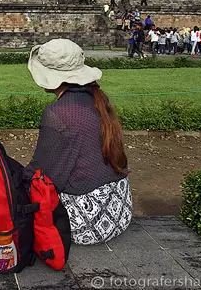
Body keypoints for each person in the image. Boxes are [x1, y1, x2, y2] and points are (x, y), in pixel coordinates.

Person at [25, 39, 132, 245]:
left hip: (87, 224)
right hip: (120, 210)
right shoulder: (98, 98)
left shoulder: (58, 113)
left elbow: (45, 174)